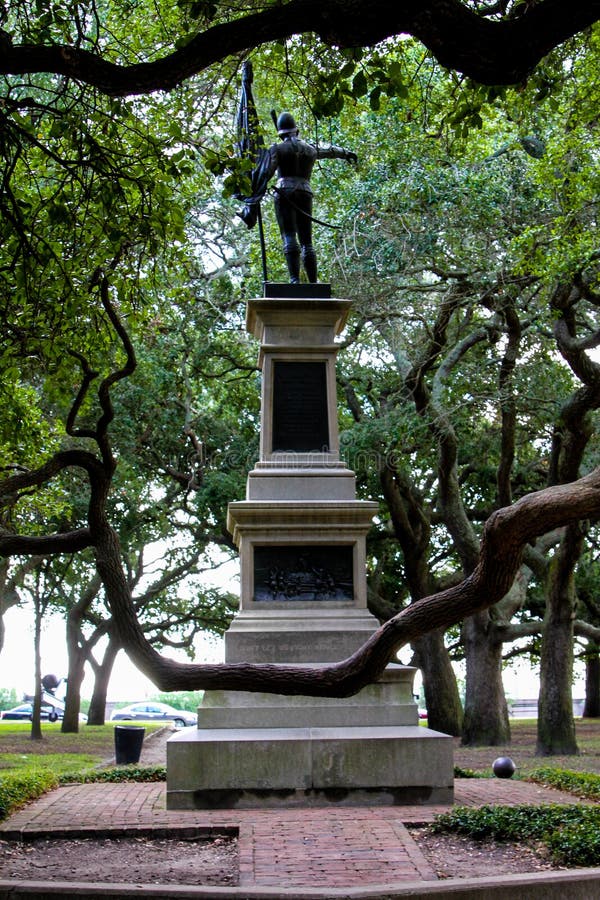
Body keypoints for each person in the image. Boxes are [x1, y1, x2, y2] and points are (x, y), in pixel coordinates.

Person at [238, 112, 357, 283]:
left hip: (284, 192)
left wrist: (253, 188)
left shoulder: (277, 149)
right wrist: (346, 153)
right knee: (306, 240)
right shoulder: (309, 148)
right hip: (305, 191)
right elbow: (330, 151)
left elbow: (266, 173)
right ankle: (313, 282)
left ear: (281, 132)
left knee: (289, 235)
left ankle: (295, 280)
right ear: (296, 131)